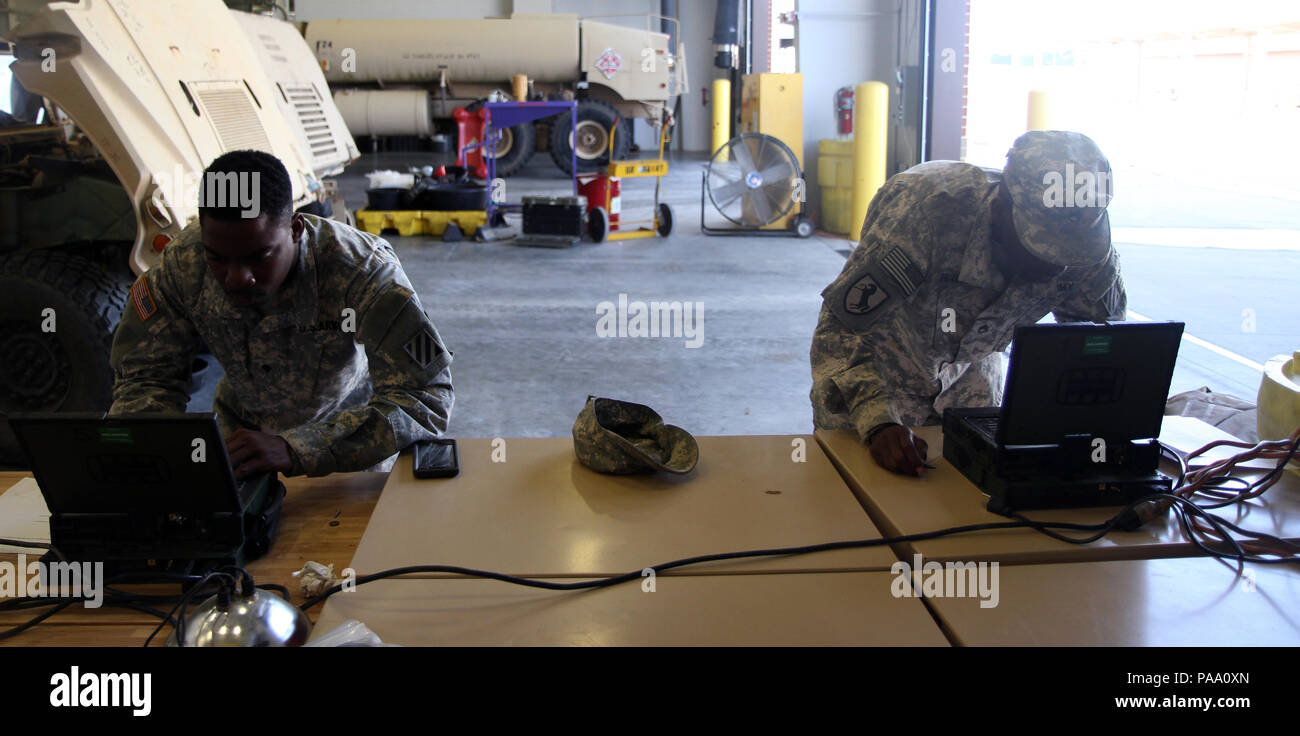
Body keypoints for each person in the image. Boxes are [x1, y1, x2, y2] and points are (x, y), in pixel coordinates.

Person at [109, 150, 453, 479]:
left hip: (347, 457)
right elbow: (146, 377)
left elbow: (425, 396)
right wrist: (150, 456)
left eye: (258, 256)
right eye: (217, 258)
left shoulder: (362, 270)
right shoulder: (182, 265)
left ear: (295, 229)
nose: (236, 277)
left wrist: (298, 448)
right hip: (239, 454)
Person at [810, 130, 1126, 476]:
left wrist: (1085, 429)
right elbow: (843, 329)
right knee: (857, 511)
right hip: (878, 387)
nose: (1057, 264)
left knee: (973, 515)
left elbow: (1101, 346)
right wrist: (878, 423)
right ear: (1002, 207)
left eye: (1069, 250)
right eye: (1043, 244)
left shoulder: (1087, 245)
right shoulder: (924, 211)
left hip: (972, 397)